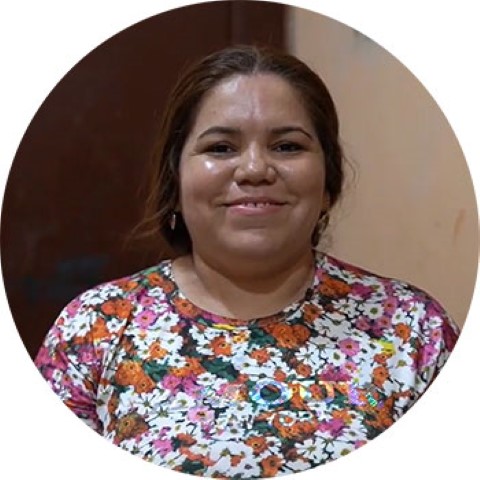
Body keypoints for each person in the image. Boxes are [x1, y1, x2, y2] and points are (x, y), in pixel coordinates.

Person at [35, 45, 459, 478]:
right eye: (220, 147)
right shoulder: (94, 328)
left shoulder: (411, 330)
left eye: (287, 146)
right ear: (175, 180)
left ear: (328, 183)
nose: (255, 169)